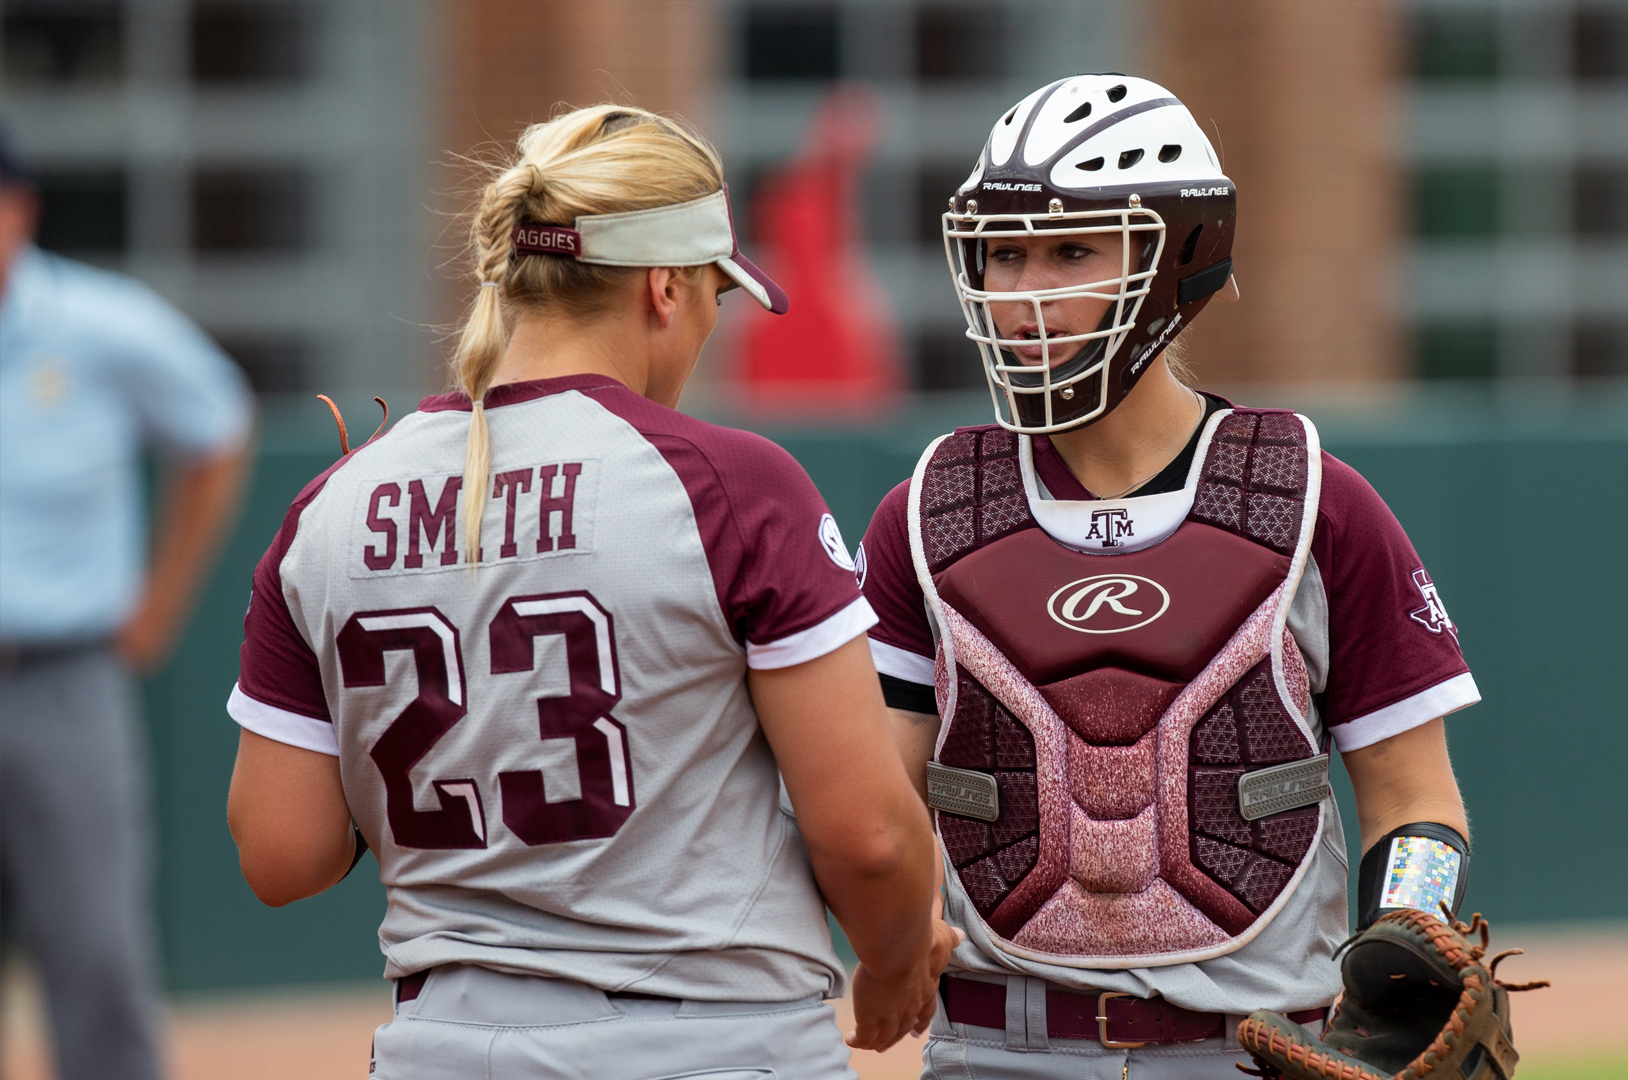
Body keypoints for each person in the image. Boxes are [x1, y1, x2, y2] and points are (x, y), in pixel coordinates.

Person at [222, 104, 953, 1080]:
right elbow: (866, 836)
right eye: (713, 297)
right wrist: (899, 954)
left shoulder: (331, 505)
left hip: (441, 1045)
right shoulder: (727, 484)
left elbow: (282, 855)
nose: (706, 325)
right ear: (664, 286)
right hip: (706, 1043)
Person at [856, 75, 1481, 1078]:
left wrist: (1409, 935)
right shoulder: (926, 515)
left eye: (1071, 250)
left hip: (1256, 1052)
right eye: (1004, 254)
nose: (1026, 295)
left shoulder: (1316, 500)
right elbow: (877, 803)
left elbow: (1417, 797)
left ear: (1178, 254)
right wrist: (890, 935)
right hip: (993, 1050)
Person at [0, 129, 254, 1079]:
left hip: (62, 681)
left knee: (95, 951)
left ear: (18, 207)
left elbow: (219, 425)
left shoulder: (102, 324)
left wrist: (158, 605)